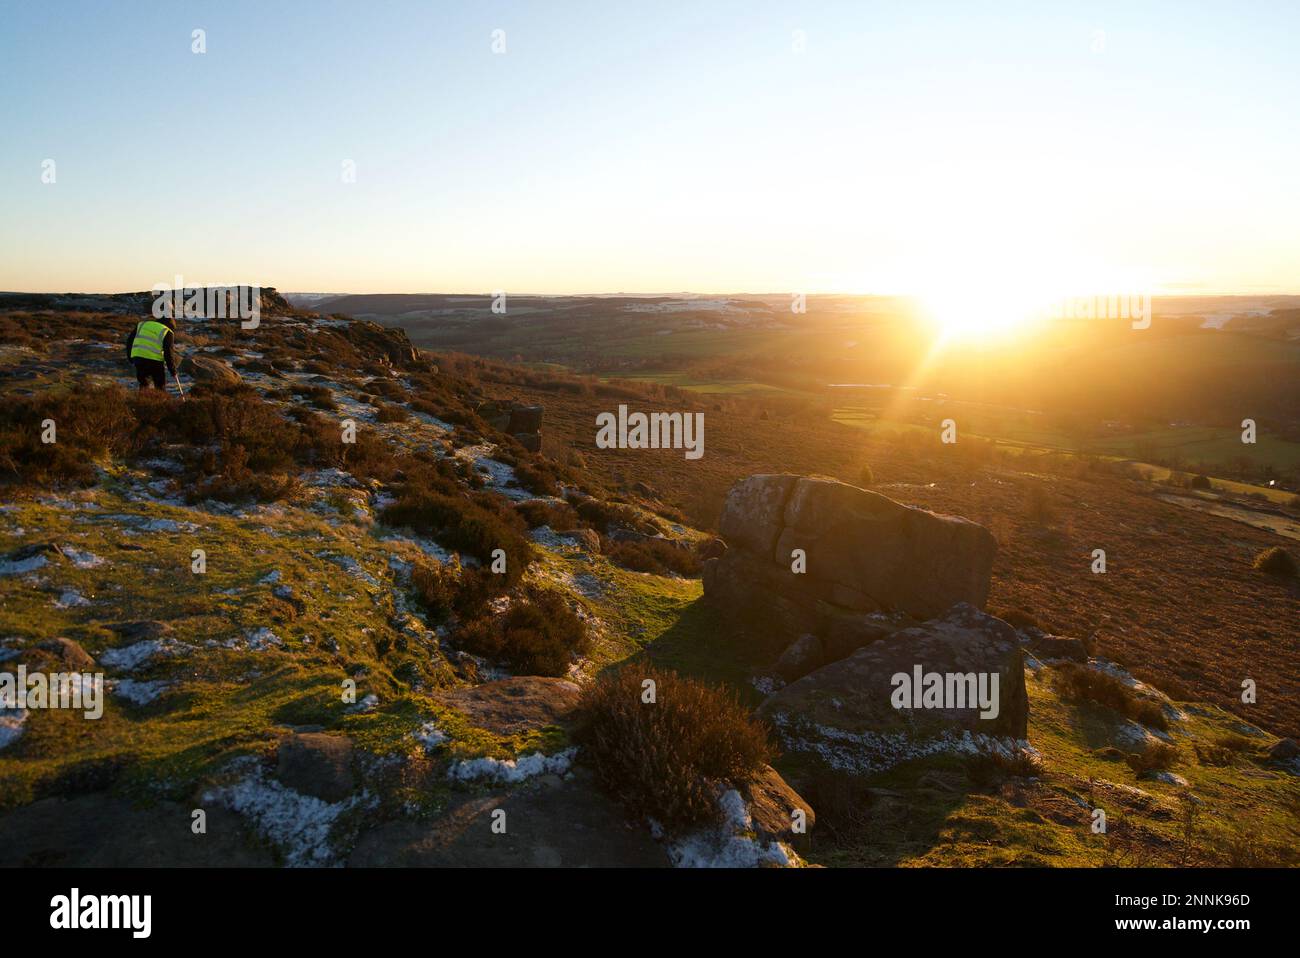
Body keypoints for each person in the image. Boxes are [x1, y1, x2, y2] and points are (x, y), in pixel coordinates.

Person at [125, 315, 176, 391]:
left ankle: (142, 400)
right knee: (160, 385)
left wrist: (130, 357)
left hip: (138, 357)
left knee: (144, 383)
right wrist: (172, 370)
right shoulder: (167, 331)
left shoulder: (142, 325)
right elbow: (168, 353)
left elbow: (129, 341)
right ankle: (160, 400)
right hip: (155, 360)